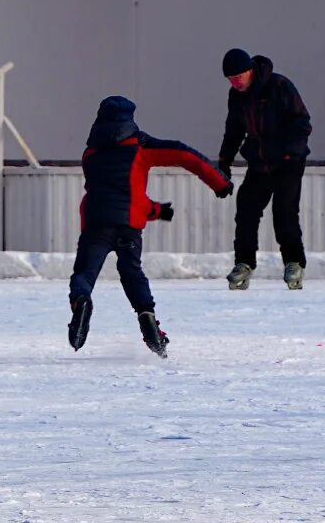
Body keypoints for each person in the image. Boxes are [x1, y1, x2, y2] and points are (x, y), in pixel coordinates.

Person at [70, 96, 233, 358]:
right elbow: (183, 154)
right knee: (132, 272)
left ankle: (81, 301)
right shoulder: (140, 146)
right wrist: (219, 183)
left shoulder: (90, 153)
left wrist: (158, 210)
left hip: (95, 224)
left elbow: (117, 193)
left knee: (84, 273)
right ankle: (147, 317)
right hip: (128, 227)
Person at [216, 49, 313, 291]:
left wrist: (291, 152)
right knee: (246, 210)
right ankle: (244, 263)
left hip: (288, 161)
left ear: (250, 70)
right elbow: (234, 130)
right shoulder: (236, 96)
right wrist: (224, 162)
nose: (235, 82)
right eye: (230, 79)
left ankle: (294, 263)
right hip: (259, 163)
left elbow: (301, 121)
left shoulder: (279, 86)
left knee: (284, 211)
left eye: (239, 76)